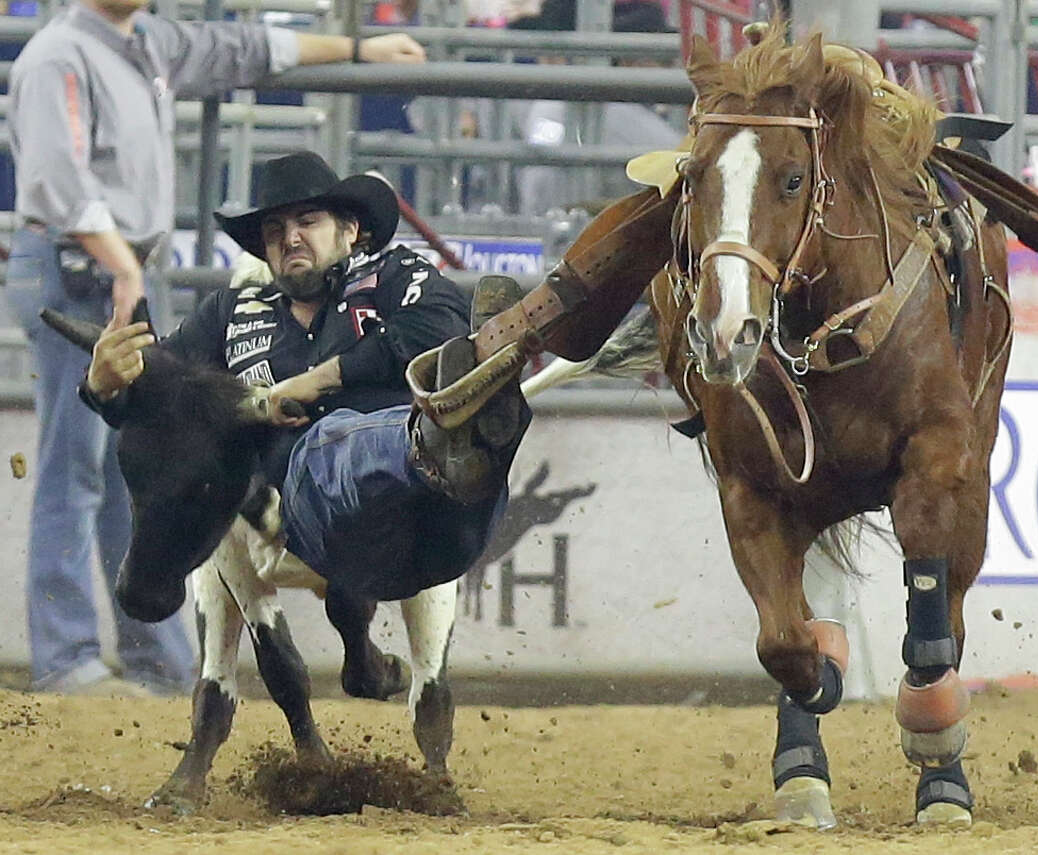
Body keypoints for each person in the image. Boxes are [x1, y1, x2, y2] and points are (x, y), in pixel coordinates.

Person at [5, 0, 425, 695]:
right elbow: (57, 180)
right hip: (86, 265)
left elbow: (245, 48)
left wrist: (358, 50)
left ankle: (150, 657)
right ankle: (68, 655)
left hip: (116, 269)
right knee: (75, 466)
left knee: (131, 463)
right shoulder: (61, 56)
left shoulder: (145, 41)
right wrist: (123, 266)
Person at [82, 151, 529, 610]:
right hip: (333, 526)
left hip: (445, 523)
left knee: (451, 372)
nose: (290, 238)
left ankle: (474, 427)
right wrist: (104, 385)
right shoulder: (230, 314)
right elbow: (160, 393)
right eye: (274, 231)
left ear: (350, 231)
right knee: (330, 441)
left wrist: (323, 378)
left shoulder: (393, 274)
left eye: (308, 221)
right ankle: (452, 431)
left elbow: (442, 328)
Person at [508, 0, 683, 215]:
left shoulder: (543, 103)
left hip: (540, 220)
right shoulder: (628, 119)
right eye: (663, 61)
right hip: (590, 225)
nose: (669, 69)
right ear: (632, 62)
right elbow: (682, 174)